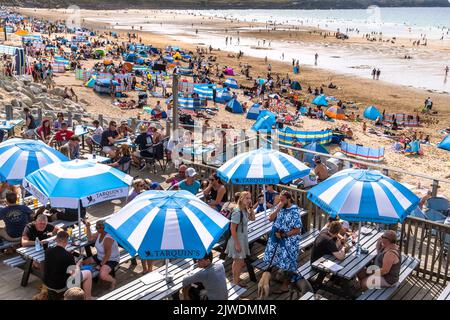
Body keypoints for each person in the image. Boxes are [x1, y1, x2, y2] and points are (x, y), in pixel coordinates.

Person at [263, 191, 303, 294]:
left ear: (289, 199)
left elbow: (297, 229)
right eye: (280, 199)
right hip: (276, 239)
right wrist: (278, 207)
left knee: (288, 264)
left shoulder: (294, 211)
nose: (280, 201)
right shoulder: (280, 207)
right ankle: (269, 280)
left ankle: (285, 286)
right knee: (273, 259)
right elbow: (270, 219)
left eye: (282, 200)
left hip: (288, 242)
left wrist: (284, 235)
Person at [43, 231, 93, 300]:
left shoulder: (48, 250)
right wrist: (78, 264)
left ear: (56, 240)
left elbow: (56, 259)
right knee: (88, 273)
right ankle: (88, 298)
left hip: (47, 282)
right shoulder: (68, 256)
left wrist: (67, 254)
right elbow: (74, 274)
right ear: (66, 242)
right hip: (60, 285)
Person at [225, 191, 255, 287]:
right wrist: (237, 244)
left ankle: (236, 279)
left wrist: (251, 208)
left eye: (250, 198)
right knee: (239, 262)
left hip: (242, 238)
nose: (249, 200)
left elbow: (253, 219)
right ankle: (235, 283)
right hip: (237, 240)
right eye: (247, 198)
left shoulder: (244, 209)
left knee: (239, 262)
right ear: (241, 199)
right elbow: (232, 228)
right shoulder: (237, 212)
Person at [83, 220, 120, 290]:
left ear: (104, 228)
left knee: (102, 275)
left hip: (111, 259)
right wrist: (88, 227)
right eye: (96, 227)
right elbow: (90, 238)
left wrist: (100, 265)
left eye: (98, 227)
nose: (97, 229)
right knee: (84, 262)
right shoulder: (99, 233)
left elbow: (107, 255)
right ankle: (89, 278)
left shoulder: (108, 238)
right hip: (100, 256)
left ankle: (113, 281)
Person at [310, 221, 347, 286]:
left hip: (314, 258)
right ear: (337, 232)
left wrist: (340, 238)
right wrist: (343, 248)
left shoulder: (325, 231)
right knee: (341, 264)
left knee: (334, 260)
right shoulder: (329, 241)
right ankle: (318, 284)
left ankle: (333, 279)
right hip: (317, 264)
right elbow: (341, 257)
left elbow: (336, 237)